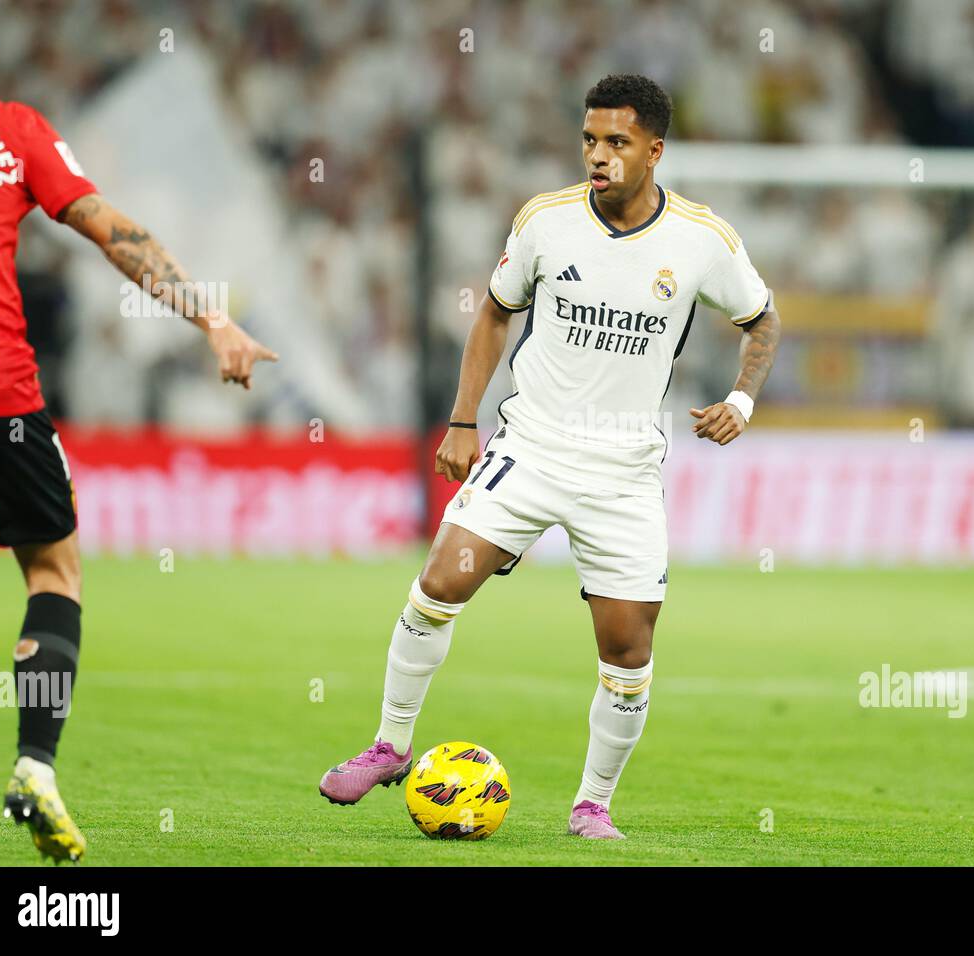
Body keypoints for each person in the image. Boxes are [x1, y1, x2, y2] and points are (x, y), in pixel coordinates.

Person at [319, 73, 781, 839]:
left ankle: (592, 802)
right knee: (438, 582)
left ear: (654, 151)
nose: (599, 156)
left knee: (628, 647)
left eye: (617, 143)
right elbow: (495, 317)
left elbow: (762, 324)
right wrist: (463, 420)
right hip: (531, 448)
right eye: (590, 140)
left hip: (624, 471)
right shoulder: (546, 220)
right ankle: (390, 746)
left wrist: (740, 401)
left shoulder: (704, 239)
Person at [0, 0, 277, 863]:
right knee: (54, 568)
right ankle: (34, 764)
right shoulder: (15, 131)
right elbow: (116, 234)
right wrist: (213, 320)